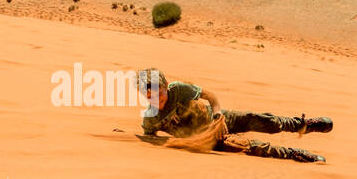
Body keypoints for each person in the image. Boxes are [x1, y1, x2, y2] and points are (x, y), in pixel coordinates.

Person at [135, 68, 331, 163]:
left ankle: (302, 125)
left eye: (159, 93)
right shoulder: (151, 118)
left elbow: (210, 96)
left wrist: (218, 115)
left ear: (165, 86)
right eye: (149, 97)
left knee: (262, 120)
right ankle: (296, 154)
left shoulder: (178, 89)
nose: (156, 100)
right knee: (254, 148)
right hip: (209, 140)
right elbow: (150, 138)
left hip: (220, 118)